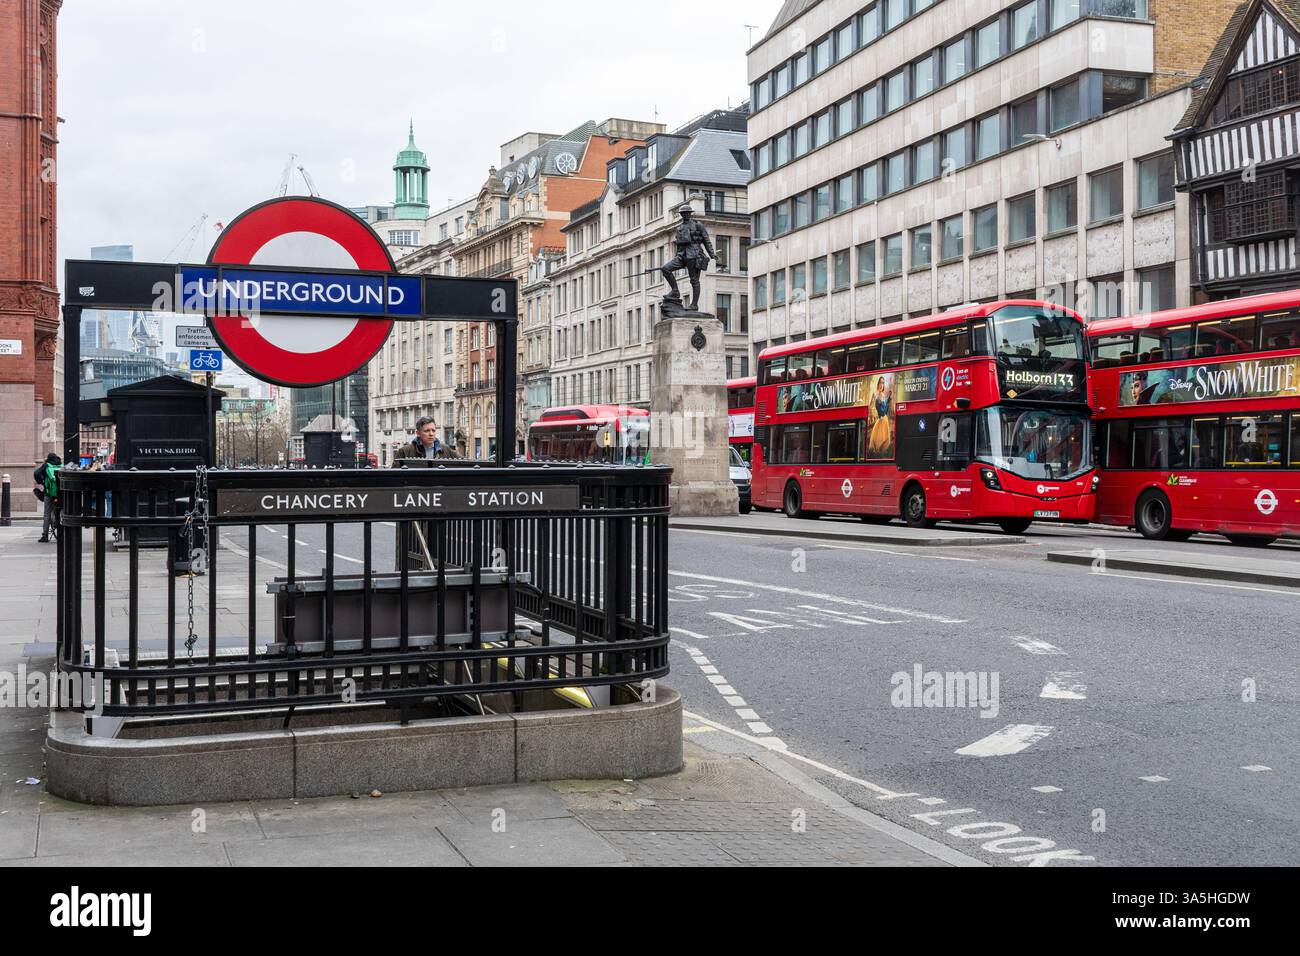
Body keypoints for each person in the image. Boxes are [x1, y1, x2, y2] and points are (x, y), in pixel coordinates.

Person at [34, 453, 61, 543]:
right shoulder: (61, 464)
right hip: (60, 493)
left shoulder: (46, 465)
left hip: (49, 493)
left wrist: (41, 482)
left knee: (47, 513)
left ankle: (45, 535)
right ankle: (57, 525)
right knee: (58, 510)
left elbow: (36, 473)